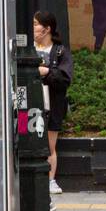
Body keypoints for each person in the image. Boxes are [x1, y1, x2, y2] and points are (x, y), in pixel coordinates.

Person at [33, 11, 72, 197]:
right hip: (28, 103)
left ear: (47, 28)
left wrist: (45, 72)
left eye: (35, 24)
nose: (33, 28)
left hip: (53, 104)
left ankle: (50, 180)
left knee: (49, 144)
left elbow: (65, 78)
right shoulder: (27, 49)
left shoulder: (60, 51)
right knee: (27, 139)